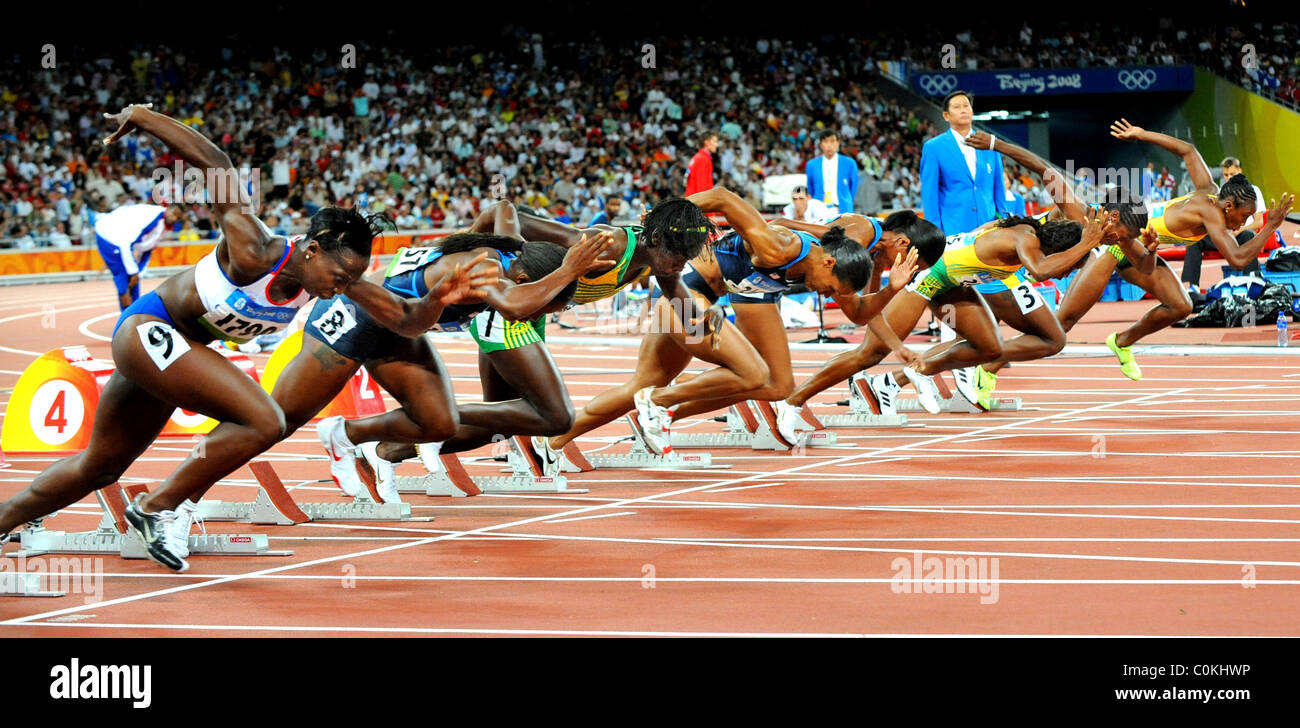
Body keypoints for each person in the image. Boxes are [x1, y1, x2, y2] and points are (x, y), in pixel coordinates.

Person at [0, 104, 490, 572]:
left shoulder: (334, 276)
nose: (340, 288)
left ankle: (5, 521)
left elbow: (405, 319)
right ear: (311, 249)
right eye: (339, 275)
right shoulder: (253, 248)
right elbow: (218, 163)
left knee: (99, 467)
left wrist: (438, 301)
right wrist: (146, 118)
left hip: (172, 354)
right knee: (265, 418)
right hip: (147, 332)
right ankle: (159, 506)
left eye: (351, 279)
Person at [286, 210, 612, 502]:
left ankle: (343, 436)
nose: (530, 321)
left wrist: (566, 272)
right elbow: (515, 308)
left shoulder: (509, 250)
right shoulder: (487, 266)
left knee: (439, 422)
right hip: (352, 318)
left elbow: (497, 211)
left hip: (399, 329)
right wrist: (567, 270)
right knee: (279, 420)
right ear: (523, 280)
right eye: (538, 314)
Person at [628, 186, 901, 454]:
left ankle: (665, 409)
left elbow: (858, 314)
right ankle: (659, 401)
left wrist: (891, 288)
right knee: (750, 373)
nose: (826, 295)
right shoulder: (782, 248)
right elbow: (724, 198)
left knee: (777, 386)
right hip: (692, 285)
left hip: (751, 288)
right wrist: (665, 216)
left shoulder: (837, 263)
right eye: (830, 289)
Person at [1056, 119, 1292, 381]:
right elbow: (1237, 260)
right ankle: (1001, 356)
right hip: (1114, 244)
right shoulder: (1211, 214)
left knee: (1181, 305)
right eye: (1244, 215)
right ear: (1228, 206)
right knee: (1061, 324)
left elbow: (1188, 151)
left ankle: (1122, 341)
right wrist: (1269, 227)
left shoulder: (1210, 190)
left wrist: (1143, 134)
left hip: (1142, 251)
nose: (1246, 221)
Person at [920, 90, 1008, 235]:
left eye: (966, 106)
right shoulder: (934, 147)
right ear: (946, 115)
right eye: (957, 107)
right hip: (953, 229)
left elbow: (999, 188)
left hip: (990, 228)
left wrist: (1005, 221)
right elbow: (930, 195)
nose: (963, 110)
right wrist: (934, 234)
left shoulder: (990, 144)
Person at [1179, 156, 1268, 289]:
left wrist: (1239, 230)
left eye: (1232, 174)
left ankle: (1252, 279)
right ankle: (1191, 286)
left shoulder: (1253, 191)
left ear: (1240, 171)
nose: (1229, 178)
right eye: (1226, 175)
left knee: (1249, 235)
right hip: (1224, 236)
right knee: (1195, 240)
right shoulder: (1221, 193)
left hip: (1242, 235)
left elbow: (1259, 222)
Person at [93, 201, 184, 309]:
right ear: (168, 208)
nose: (174, 219)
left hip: (121, 237)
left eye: (178, 218)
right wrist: (134, 273)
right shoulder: (151, 218)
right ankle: (126, 307)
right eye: (174, 214)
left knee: (134, 279)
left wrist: (138, 273)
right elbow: (124, 243)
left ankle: (133, 311)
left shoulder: (164, 225)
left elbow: (147, 250)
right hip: (108, 233)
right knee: (123, 272)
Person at [805, 130, 859, 215]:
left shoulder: (849, 163)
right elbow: (810, 188)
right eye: (826, 141)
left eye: (832, 141)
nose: (829, 145)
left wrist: (846, 200)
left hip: (842, 209)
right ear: (820, 144)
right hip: (819, 210)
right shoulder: (811, 165)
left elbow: (853, 187)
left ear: (838, 143)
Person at [685, 130, 719, 197]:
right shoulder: (703, 159)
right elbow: (701, 189)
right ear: (706, 143)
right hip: (697, 203)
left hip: (693, 201)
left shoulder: (698, 157)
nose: (716, 145)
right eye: (715, 142)